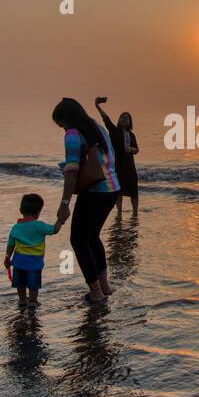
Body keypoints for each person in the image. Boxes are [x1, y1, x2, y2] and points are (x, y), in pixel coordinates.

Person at [53, 98, 121, 303]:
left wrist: (64, 204)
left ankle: (96, 292)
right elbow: (107, 159)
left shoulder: (73, 134)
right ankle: (105, 287)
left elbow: (72, 171)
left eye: (61, 124)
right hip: (112, 189)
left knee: (79, 241)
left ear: (66, 119)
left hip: (94, 192)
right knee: (92, 238)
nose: (62, 129)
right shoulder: (97, 127)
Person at [4, 193, 62, 305]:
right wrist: (60, 219)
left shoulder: (16, 227)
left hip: (19, 262)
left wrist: (7, 257)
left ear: (21, 210)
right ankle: (33, 301)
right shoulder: (39, 226)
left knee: (20, 284)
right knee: (33, 285)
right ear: (38, 212)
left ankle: (21, 300)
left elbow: (11, 244)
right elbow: (54, 229)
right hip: (34, 263)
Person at [95, 96, 139, 216]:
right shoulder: (114, 131)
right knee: (119, 191)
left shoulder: (131, 134)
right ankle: (119, 213)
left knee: (133, 190)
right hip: (117, 166)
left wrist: (130, 149)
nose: (124, 119)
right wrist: (97, 106)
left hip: (130, 167)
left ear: (130, 122)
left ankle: (135, 213)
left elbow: (137, 150)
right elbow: (106, 119)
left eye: (127, 118)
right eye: (122, 117)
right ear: (119, 120)